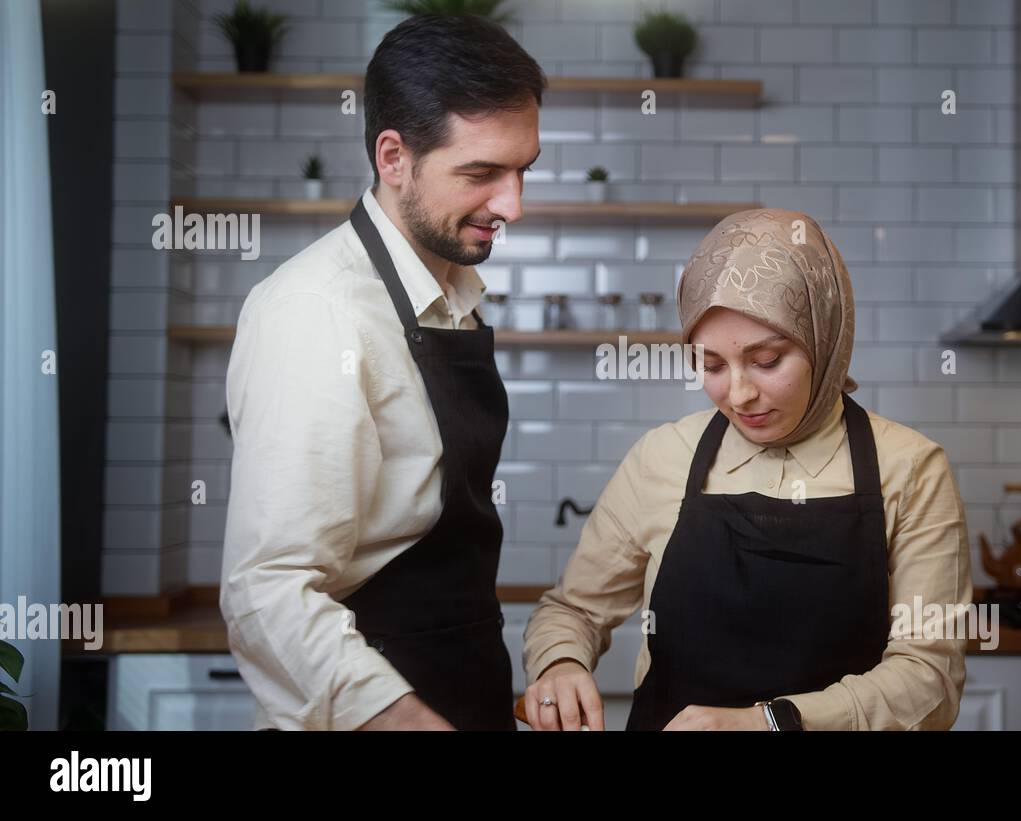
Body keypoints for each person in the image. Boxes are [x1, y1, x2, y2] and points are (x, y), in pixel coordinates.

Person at [521, 209, 973, 731]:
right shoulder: (662, 455)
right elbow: (573, 610)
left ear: (825, 338)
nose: (738, 395)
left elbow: (929, 678)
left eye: (766, 360)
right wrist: (561, 662)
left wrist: (768, 724)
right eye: (710, 365)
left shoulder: (910, 468)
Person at [219, 16, 544, 730]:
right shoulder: (314, 312)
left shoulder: (454, 293)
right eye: (482, 173)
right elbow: (266, 590)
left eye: (524, 169)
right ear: (393, 157)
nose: (513, 205)